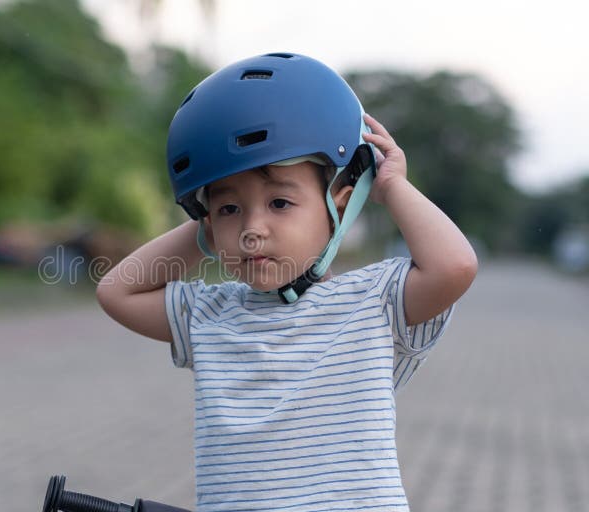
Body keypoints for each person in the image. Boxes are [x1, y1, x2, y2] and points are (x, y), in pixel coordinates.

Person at [96, 53, 477, 512]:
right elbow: (116, 290)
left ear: (340, 202)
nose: (253, 229)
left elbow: (454, 266)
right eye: (230, 208)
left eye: (279, 202)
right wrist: (207, 232)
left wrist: (391, 187)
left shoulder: (375, 303)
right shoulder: (210, 315)